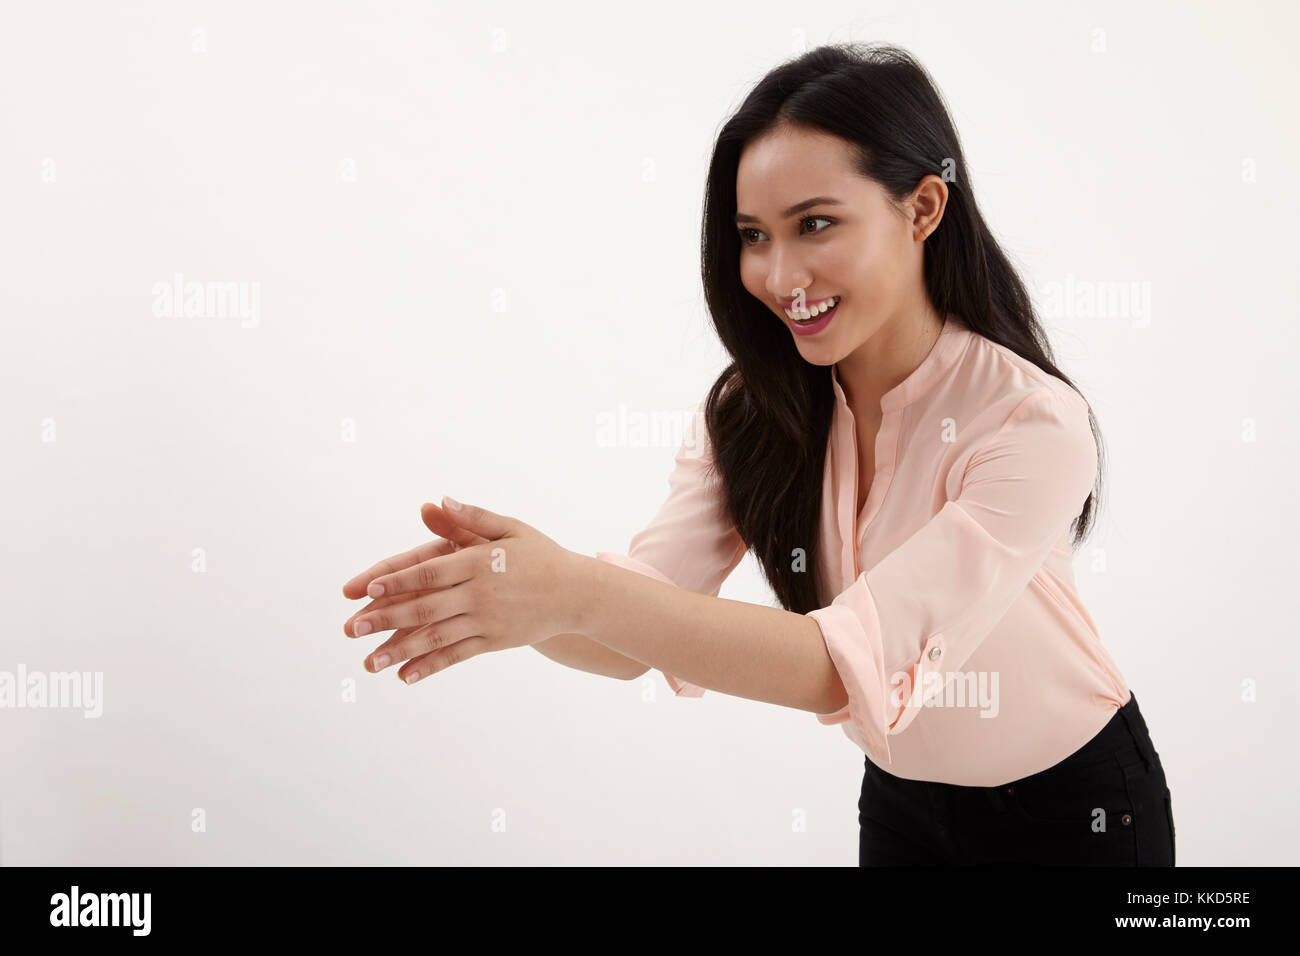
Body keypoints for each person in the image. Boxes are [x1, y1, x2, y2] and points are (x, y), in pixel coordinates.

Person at [340, 42, 1174, 866]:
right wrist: (520, 598)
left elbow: (839, 667)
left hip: (1079, 812)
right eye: (753, 235)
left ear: (923, 208)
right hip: (901, 801)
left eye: (815, 224)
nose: (780, 276)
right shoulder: (752, 409)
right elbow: (635, 628)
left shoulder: (1031, 424)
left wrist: (575, 592)